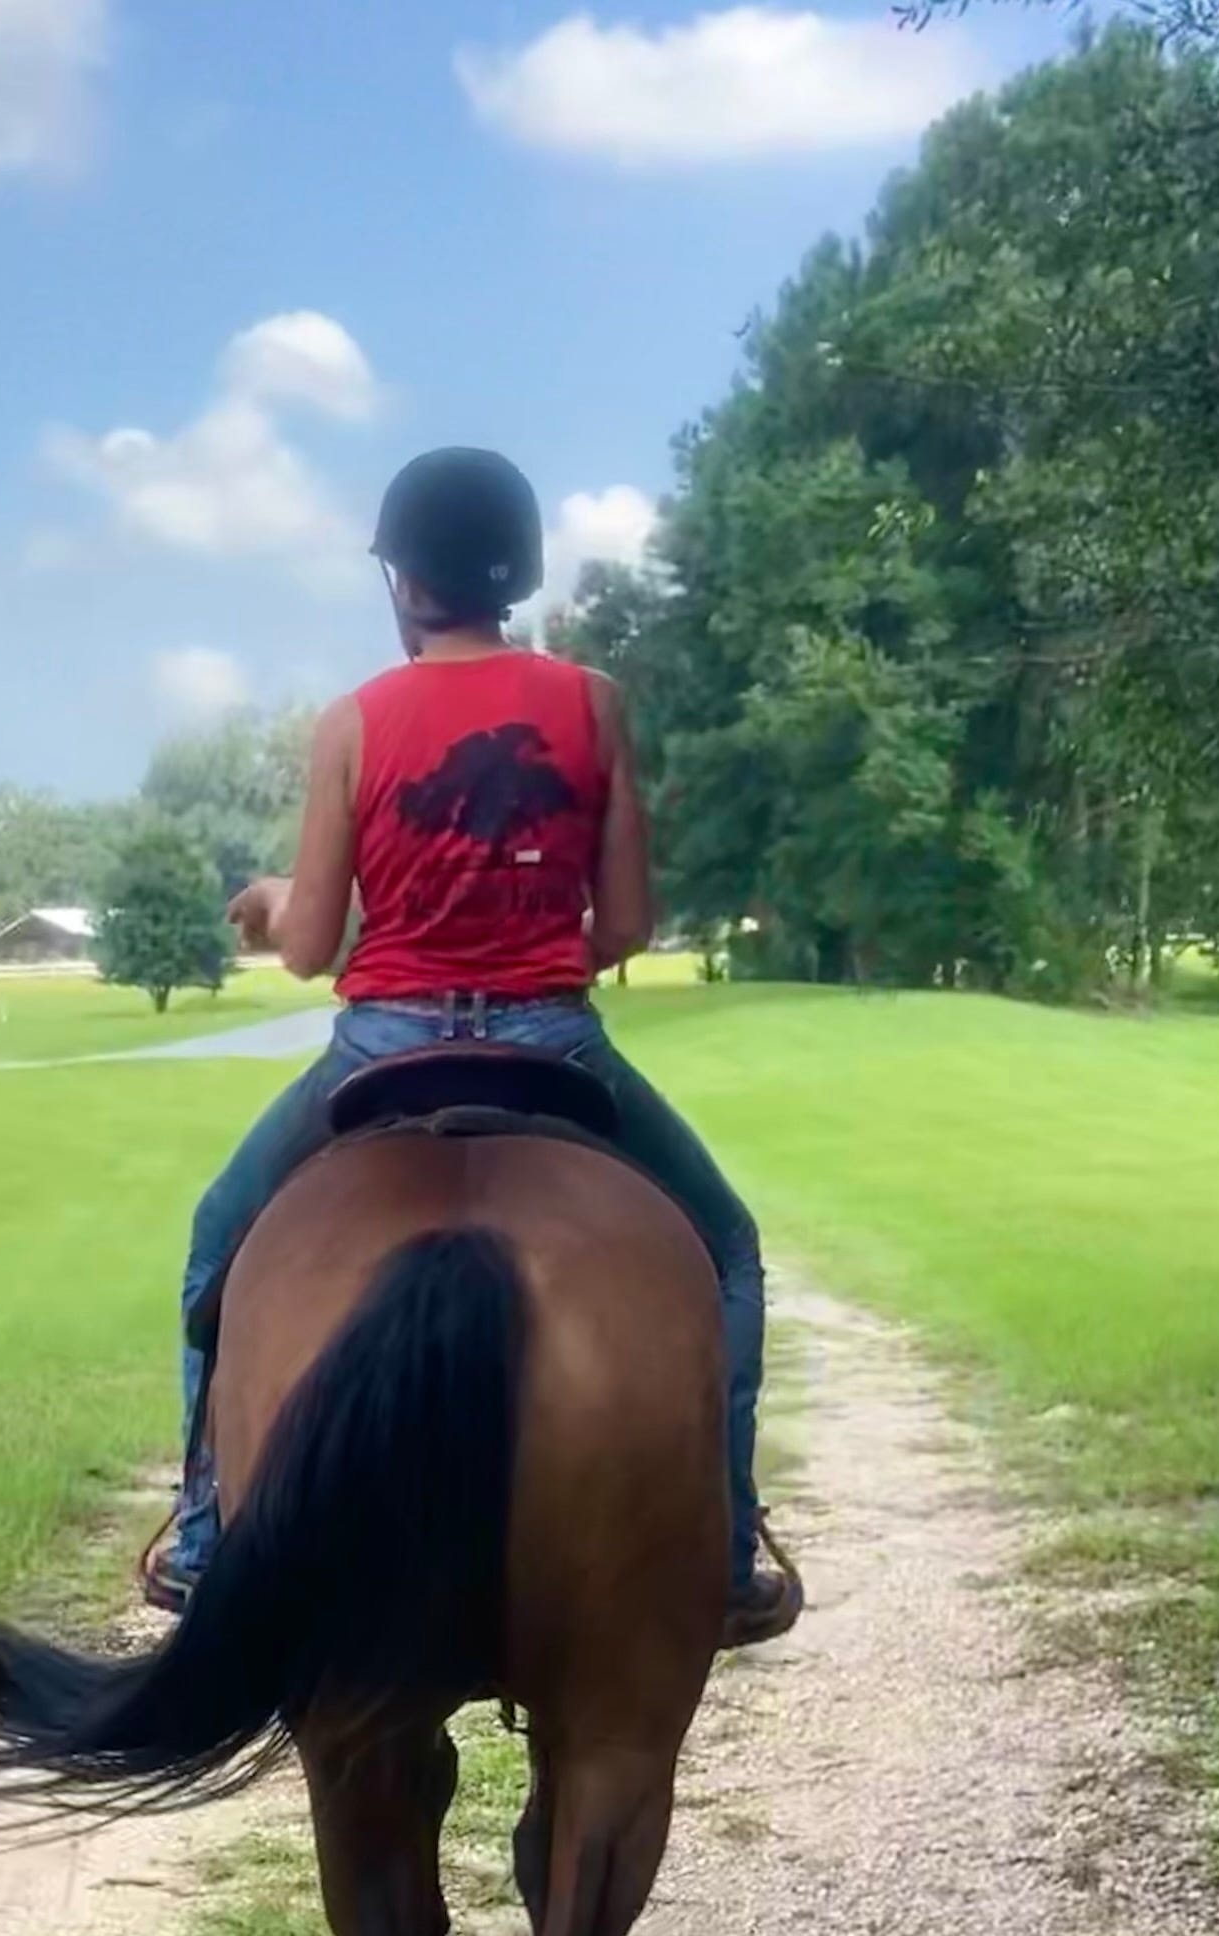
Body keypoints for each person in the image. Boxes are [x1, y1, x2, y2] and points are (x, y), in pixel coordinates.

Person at [142, 445, 803, 1650]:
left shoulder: (352, 720)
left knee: (213, 1247)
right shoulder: (591, 702)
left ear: (401, 581)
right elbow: (630, 926)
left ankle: (202, 1533)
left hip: (382, 1041)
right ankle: (719, 1540)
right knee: (727, 1253)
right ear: (518, 574)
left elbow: (303, 949)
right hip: (554, 1039)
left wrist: (265, 896)